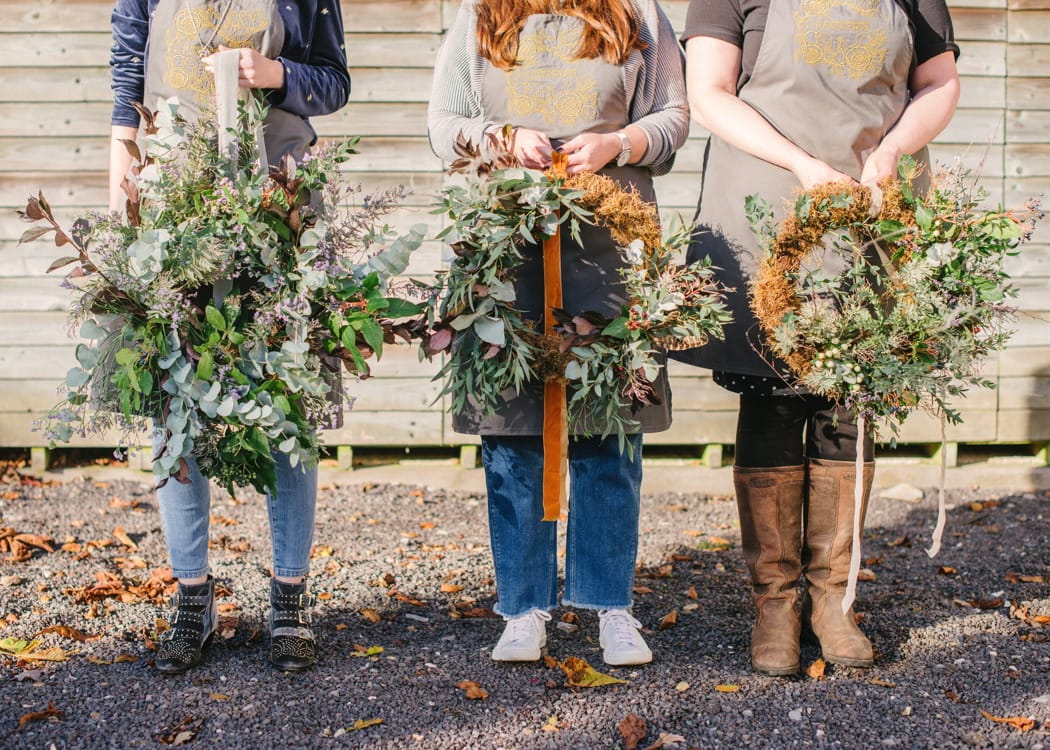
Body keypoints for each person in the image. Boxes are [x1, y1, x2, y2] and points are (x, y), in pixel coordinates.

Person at [673, 0, 960, 674]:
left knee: (851, 398)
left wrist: (892, 149)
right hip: (767, 201)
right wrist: (801, 163)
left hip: (875, 203)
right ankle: (776, 603)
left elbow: (938, 83)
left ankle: (834, 600)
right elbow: (708, 93)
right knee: (769, 393)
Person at [427, 0, 689, 666]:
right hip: (506, 251)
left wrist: (617, 144)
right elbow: (442, 123)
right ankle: (523, 608)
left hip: (609, 247)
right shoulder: (481, 13)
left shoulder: (637, 12)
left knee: (609, 429)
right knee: (512, 431)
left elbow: (673, 115)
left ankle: (611, 606)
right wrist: (501, 139)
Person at [109, 0, 351, 673]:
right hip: (173, 197)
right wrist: (120, 195)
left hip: (277, 194)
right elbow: (128, 77)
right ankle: (193, 597)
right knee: (174, 397)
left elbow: (333, 80)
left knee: (286, 392)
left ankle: (290, 597)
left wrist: (275, 72)